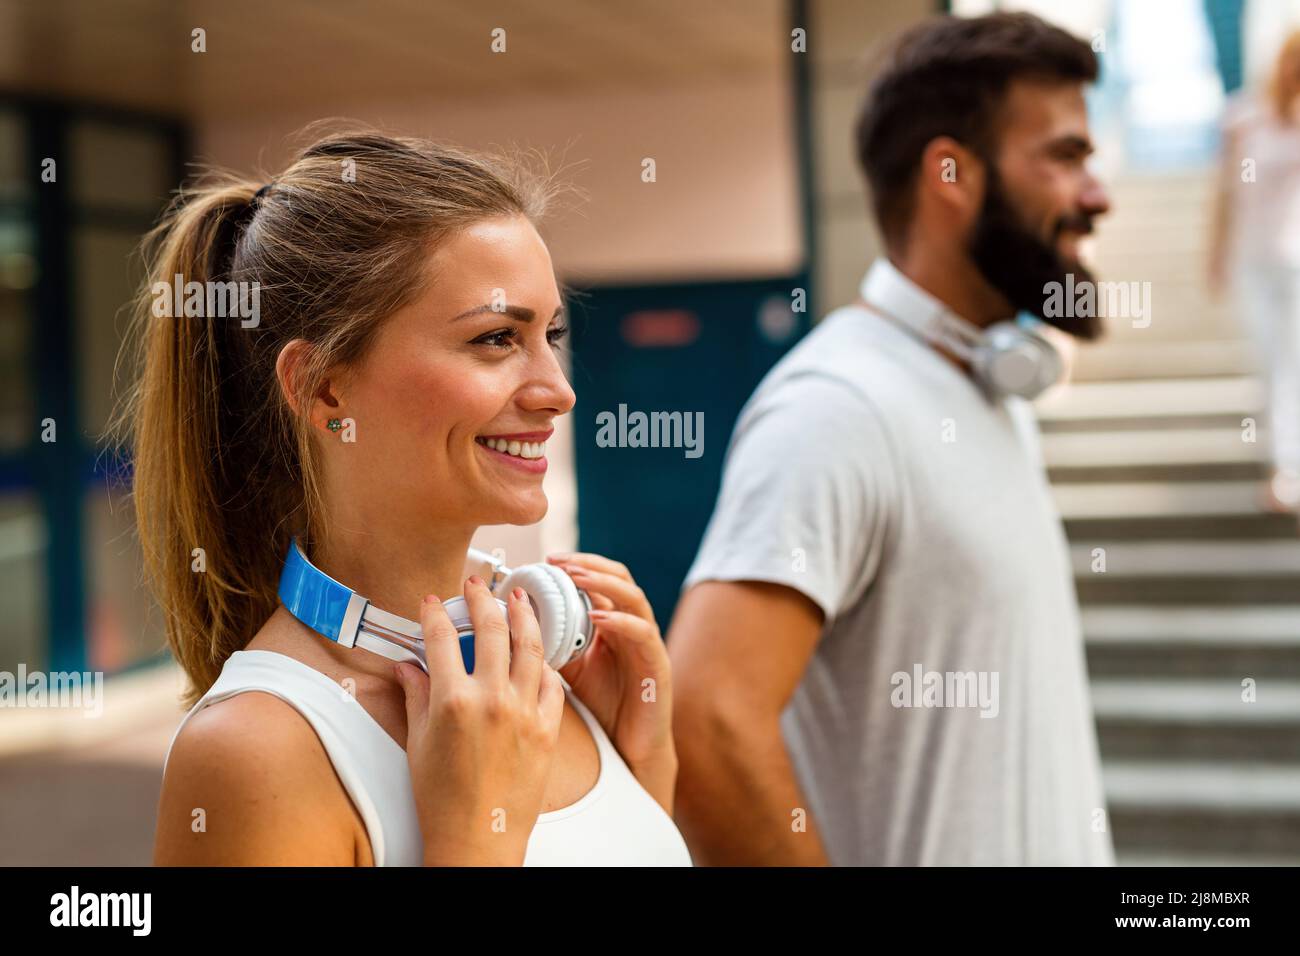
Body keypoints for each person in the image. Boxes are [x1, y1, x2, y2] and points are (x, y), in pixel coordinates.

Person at [125, 129, 690, 866]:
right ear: (324, 388)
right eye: (495, 338)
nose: (559, 390)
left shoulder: (544, 677)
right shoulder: (252, 753)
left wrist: (642, 769)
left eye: (550, 333)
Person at [668, 12, 1115, 866]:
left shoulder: (984, 385)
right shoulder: (838, 405)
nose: (1096, 196)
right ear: (950, 172)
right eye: (1064, 156)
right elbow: (704, 715)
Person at [1209, 30, 1300, 515]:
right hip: (1253, 260)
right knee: (1270, 363)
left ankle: (1287, 468)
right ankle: (1282, 461)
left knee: (1292, 362)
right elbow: (1225, 193)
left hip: (1296, 261)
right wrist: (1216, 255)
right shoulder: (1244, 118)